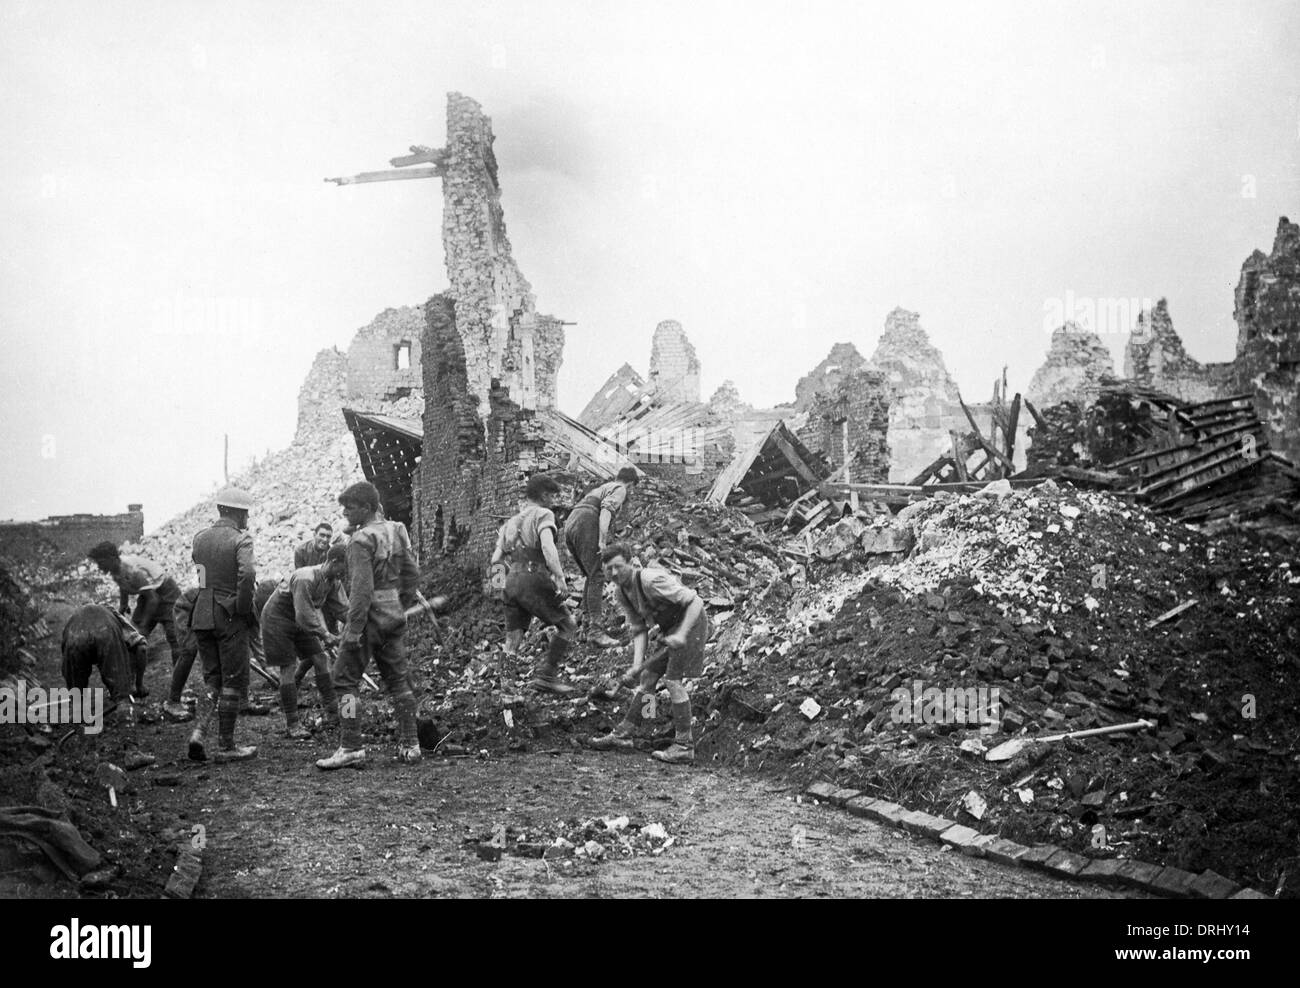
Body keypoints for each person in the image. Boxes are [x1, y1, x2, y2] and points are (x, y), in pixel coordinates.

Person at [316, 481, 421, 770]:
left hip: (369, 617)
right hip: (393, 614)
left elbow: (361, 591)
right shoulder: (396, 530)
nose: (346, 513)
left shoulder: (360, 540)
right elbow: (412, 575)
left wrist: (353, 630)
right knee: (398, 680)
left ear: (366, 507)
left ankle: (350, 746)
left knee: (344, 680)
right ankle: (410, 744)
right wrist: (400, 603)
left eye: (350, 507)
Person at [589, 543, 709, 765]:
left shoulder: (650, 580)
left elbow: (696, 601)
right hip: (670, 630)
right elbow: (639, 630)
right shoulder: (621, 593)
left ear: (631, 563)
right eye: (609, 569)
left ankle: (684, 745)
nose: (614, 573)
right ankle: (630, 732)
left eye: (618, 567)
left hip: (691, 625)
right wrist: (637, 665)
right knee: (647, 678)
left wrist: (682, 634)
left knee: (672, 681)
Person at [186, 485, 258, 763]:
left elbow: (201, 574)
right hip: (229, 615)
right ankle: (227, 746)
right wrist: (241, 607)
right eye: (246, 514)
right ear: (239, 514)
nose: (248, 520)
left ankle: (198, 733)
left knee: (212, 679)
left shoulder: (200, 539)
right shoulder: (242, 539)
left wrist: (207, 598)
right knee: (232, 680)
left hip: (202, 613)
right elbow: (248, 573)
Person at [490, 474, 578, 695]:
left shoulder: (510, 523)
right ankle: (548, 676)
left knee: (512, 639)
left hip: (512, 581)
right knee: (568, 625)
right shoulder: (543, 514)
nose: (552, 500)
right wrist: (559, 578)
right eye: (551, 495)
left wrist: (500, 585)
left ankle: (506, 687)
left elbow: (495, 560)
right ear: (544, 495)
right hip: (534, 575)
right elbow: (548, 549)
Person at [261, 545, 346, 738]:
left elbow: (342, 609)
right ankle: (293, 724)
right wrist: (326, 635)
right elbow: (305, 616)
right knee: (288, 667)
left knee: (320, 658)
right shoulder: (305, 577)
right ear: (333, 562)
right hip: (278, 618)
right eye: (343, 567)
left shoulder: (334, 581)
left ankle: (333, 713)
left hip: (299, 619)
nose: (345, 573)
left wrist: (358, 624)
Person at [60, 604, 155, 769]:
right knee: (122, 697)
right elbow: (141, 647)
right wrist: (137, 685)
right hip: (105, 634)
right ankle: (132, 753)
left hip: (74, 638)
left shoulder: (72, 620)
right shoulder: (113, 615)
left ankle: (88, 757)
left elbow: (66, 664)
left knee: (76, 698)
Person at [86, 542, 182, 701]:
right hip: (148, 596)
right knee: (133, 641)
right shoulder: (116, 569)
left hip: (166, 593)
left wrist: (144, 625)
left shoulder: (132, 570)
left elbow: (154, 600)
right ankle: (136, 685)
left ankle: (180, 685)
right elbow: (124, 588)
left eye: (100, 562)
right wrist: (121, 610)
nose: (98, 566)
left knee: (174, 639)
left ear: (111, 558)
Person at [563, 467, 640, 648]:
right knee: (597, 575)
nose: (630, 492)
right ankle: (596, 632)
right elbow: (605, 512)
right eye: (632, 489)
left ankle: (585, 627)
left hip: (571, 522)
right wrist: (602, 541)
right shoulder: (620, 489)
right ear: (630, 484)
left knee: (591, 576)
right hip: (586, 521)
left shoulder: (604, 487)